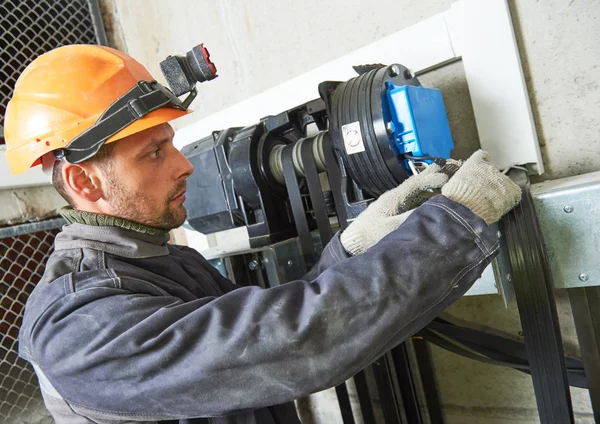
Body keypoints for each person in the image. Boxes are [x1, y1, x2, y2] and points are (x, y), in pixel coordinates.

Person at [5, 45, 521, 424]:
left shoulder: (160, 262)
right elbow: (292, 344)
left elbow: (267, 322)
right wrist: (451, 224)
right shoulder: (75, 328)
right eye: (154, 153)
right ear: (83, 180)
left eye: (171, 144)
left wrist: (354, 246)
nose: (184, 165)